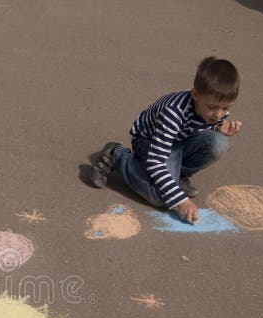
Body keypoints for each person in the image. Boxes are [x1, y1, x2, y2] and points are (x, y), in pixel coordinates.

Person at [90, 56, 242, 224]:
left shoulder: (213, 108)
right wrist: (180, 201)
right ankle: (117, 155)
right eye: (213, 108)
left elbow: (200, 125)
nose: (219, 114)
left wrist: (217, 129)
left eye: (226, 108)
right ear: (195, 94)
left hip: (179, 139)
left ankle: (179, 176)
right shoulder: (174, 113)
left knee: (220, 143)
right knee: (162, 198)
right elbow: (156, 161)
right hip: (150, 141)